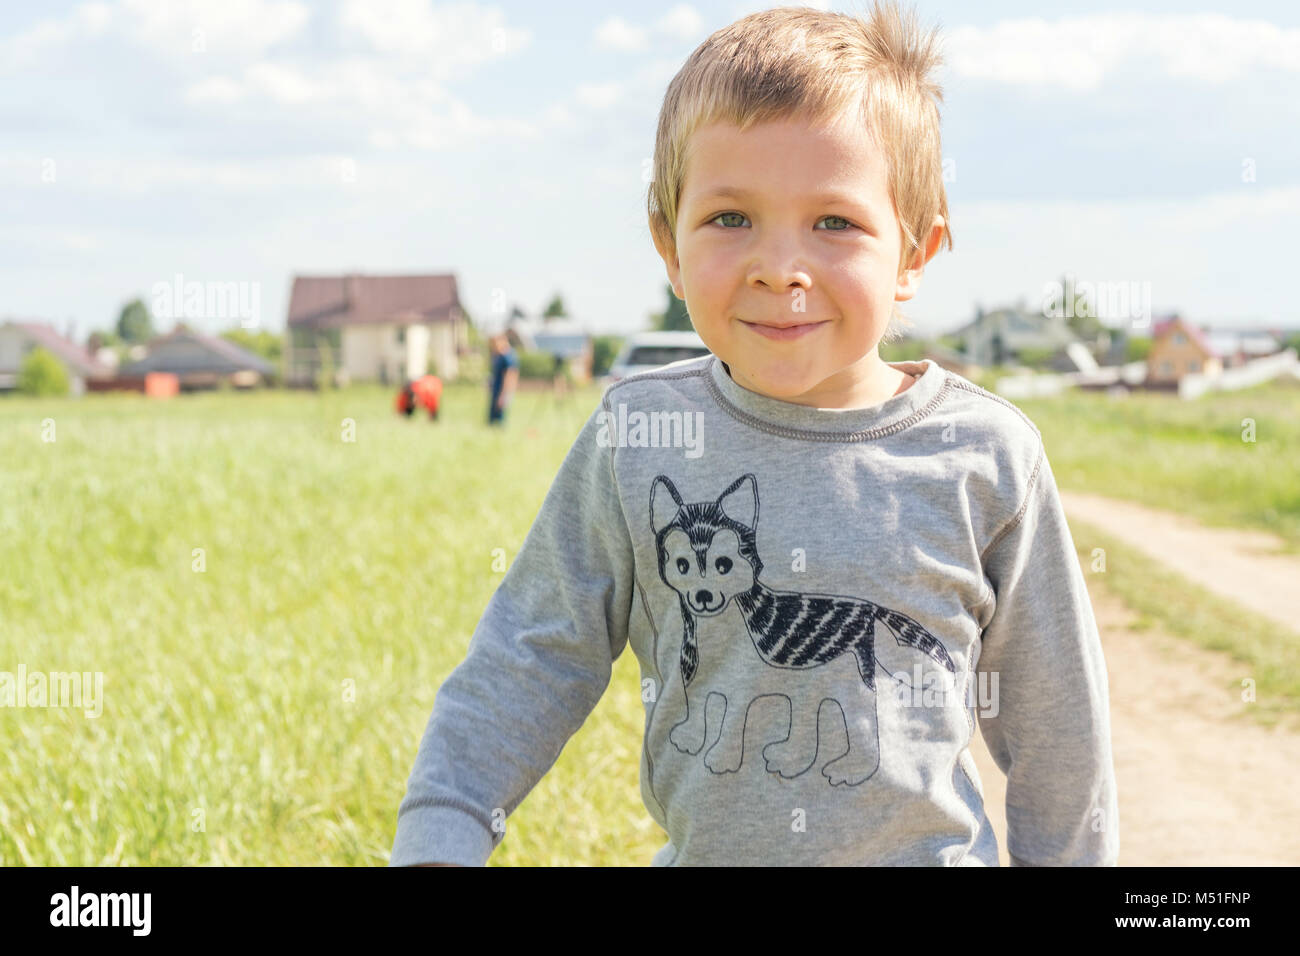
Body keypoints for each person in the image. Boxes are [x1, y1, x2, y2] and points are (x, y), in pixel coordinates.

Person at [391, 1, 1118, 867]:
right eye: (730, 218)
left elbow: (1058, 730)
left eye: (836, 222)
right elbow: (529, 662)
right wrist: (441, 834)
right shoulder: (642, 436)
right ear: (668, 243)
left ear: (915, 253)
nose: (781, 267)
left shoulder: (984, 458)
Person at [486, 330, 518, 426]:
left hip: (502, 391)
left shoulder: (508, 357)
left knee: (499, 421)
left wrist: (504, 395)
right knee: (491, 421)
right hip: (496, 390)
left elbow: (510, 376)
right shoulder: (498, 356)